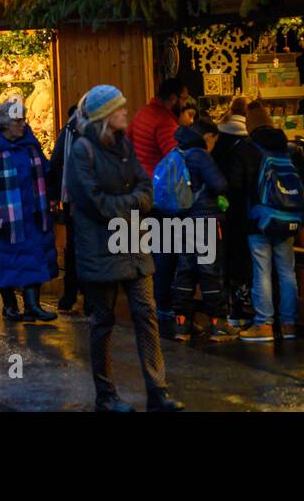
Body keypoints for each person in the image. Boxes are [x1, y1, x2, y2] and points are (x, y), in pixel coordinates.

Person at [69, 85, 182, 412]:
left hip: (133, 244)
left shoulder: (125, 146)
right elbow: (94, 203)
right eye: (119, 108)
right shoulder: (83, 150)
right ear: (105, 115)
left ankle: (157, 392)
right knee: (102, 321)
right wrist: (132, 203)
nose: (125, 112)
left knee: (147, 314)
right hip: (100, 248)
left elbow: (147, 188)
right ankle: (106, 396)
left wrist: (129, 202)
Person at [229, 101, 304, 342]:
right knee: (287, 271)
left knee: (262, 271)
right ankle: (289, 325)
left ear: (250, 126)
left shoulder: (246, 149)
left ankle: (264, 324)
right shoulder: (290, 149)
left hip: (259, 219)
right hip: (288, 218)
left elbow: (235, 186)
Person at [0, 99, 58, 321]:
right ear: (5, 123)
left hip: (32, 214)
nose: (22, 125)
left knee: (34, 258)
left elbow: (45, 172)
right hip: (4, 218)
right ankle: (9, 306)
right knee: (5, 262)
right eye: (17, 121)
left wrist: (52, 195)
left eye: (23, 120)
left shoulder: (30, 145)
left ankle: (32, 305)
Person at [128, 77, 187, 338]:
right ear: (173, 98)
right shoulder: (165, 122)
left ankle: (144, 304)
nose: (185, 103)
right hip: (161, 198)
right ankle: (163, 310)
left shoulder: (141, 113)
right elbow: (175, 161)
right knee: (166, 255)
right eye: (184, 98)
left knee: (146, 252)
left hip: (139, 193)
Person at [169, 119, 236, 342]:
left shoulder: (177, 153)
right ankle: (218, 324)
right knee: (210, 272)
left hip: (182, 221)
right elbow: (220, 185)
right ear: (207, 136)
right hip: (205, 220)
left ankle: (182, 325)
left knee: (185, 271)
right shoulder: (200, 155)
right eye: (214, 141)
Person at [212, 97, 254, 326]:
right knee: (240, 256)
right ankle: (239, 308)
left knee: (223, 256)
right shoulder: (248, 143)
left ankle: (225, 307)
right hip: (242, 207)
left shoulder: (218, 137)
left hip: (219, 204)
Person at [47, 104, 79, 312]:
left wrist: (54, 195)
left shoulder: (67, 131)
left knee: (73, 247)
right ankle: (90, 296)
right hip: (86, 199)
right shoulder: (94, 130)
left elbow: (56, 162)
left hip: (71, 198)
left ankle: (70, 295)